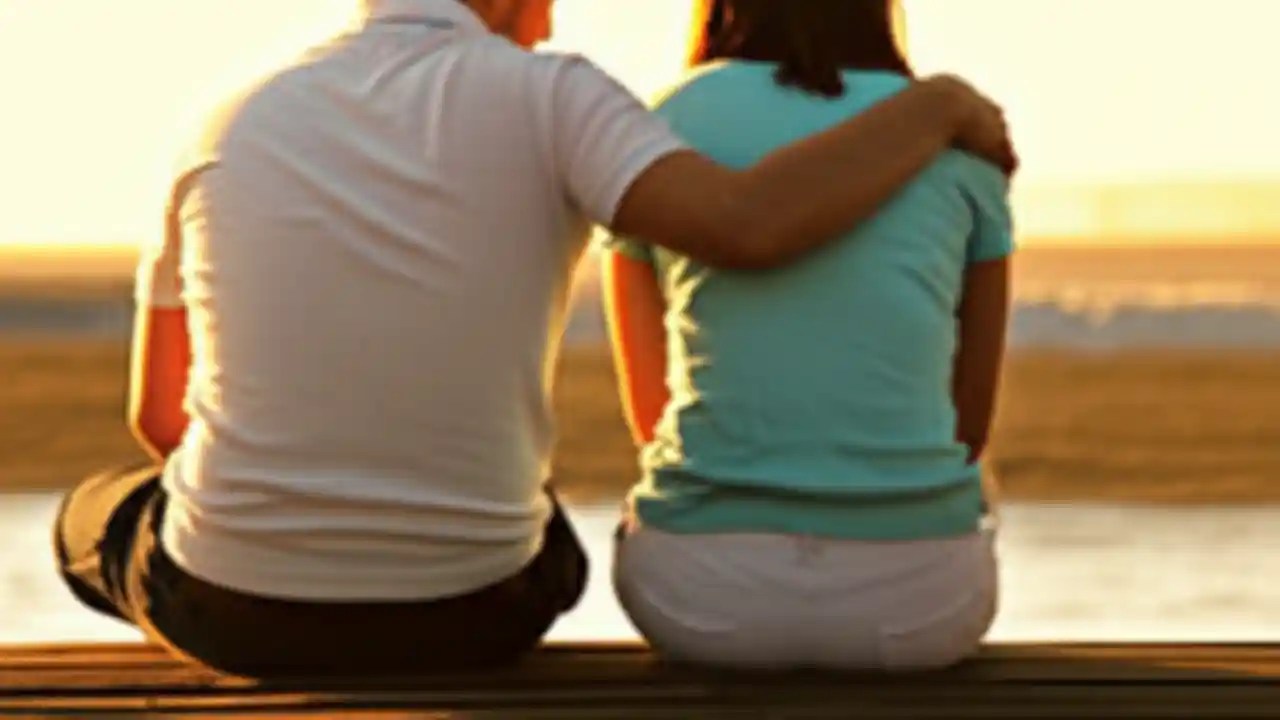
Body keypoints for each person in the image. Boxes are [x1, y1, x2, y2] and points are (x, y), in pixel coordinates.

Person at [55, 0, 1015, 678]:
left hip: (235, 613)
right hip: (475, 613)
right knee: (532, 515)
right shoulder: (557, 98)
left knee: (89, 519)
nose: (551, 22)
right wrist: (937, 106)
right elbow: (748, 224)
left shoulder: (220, 123)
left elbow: (158, 416)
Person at [604, 0, 1016, 671]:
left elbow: (650, 418)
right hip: (922, 605)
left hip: (700, 598)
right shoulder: (962, 142)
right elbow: (969, 427)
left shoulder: (666, 125)